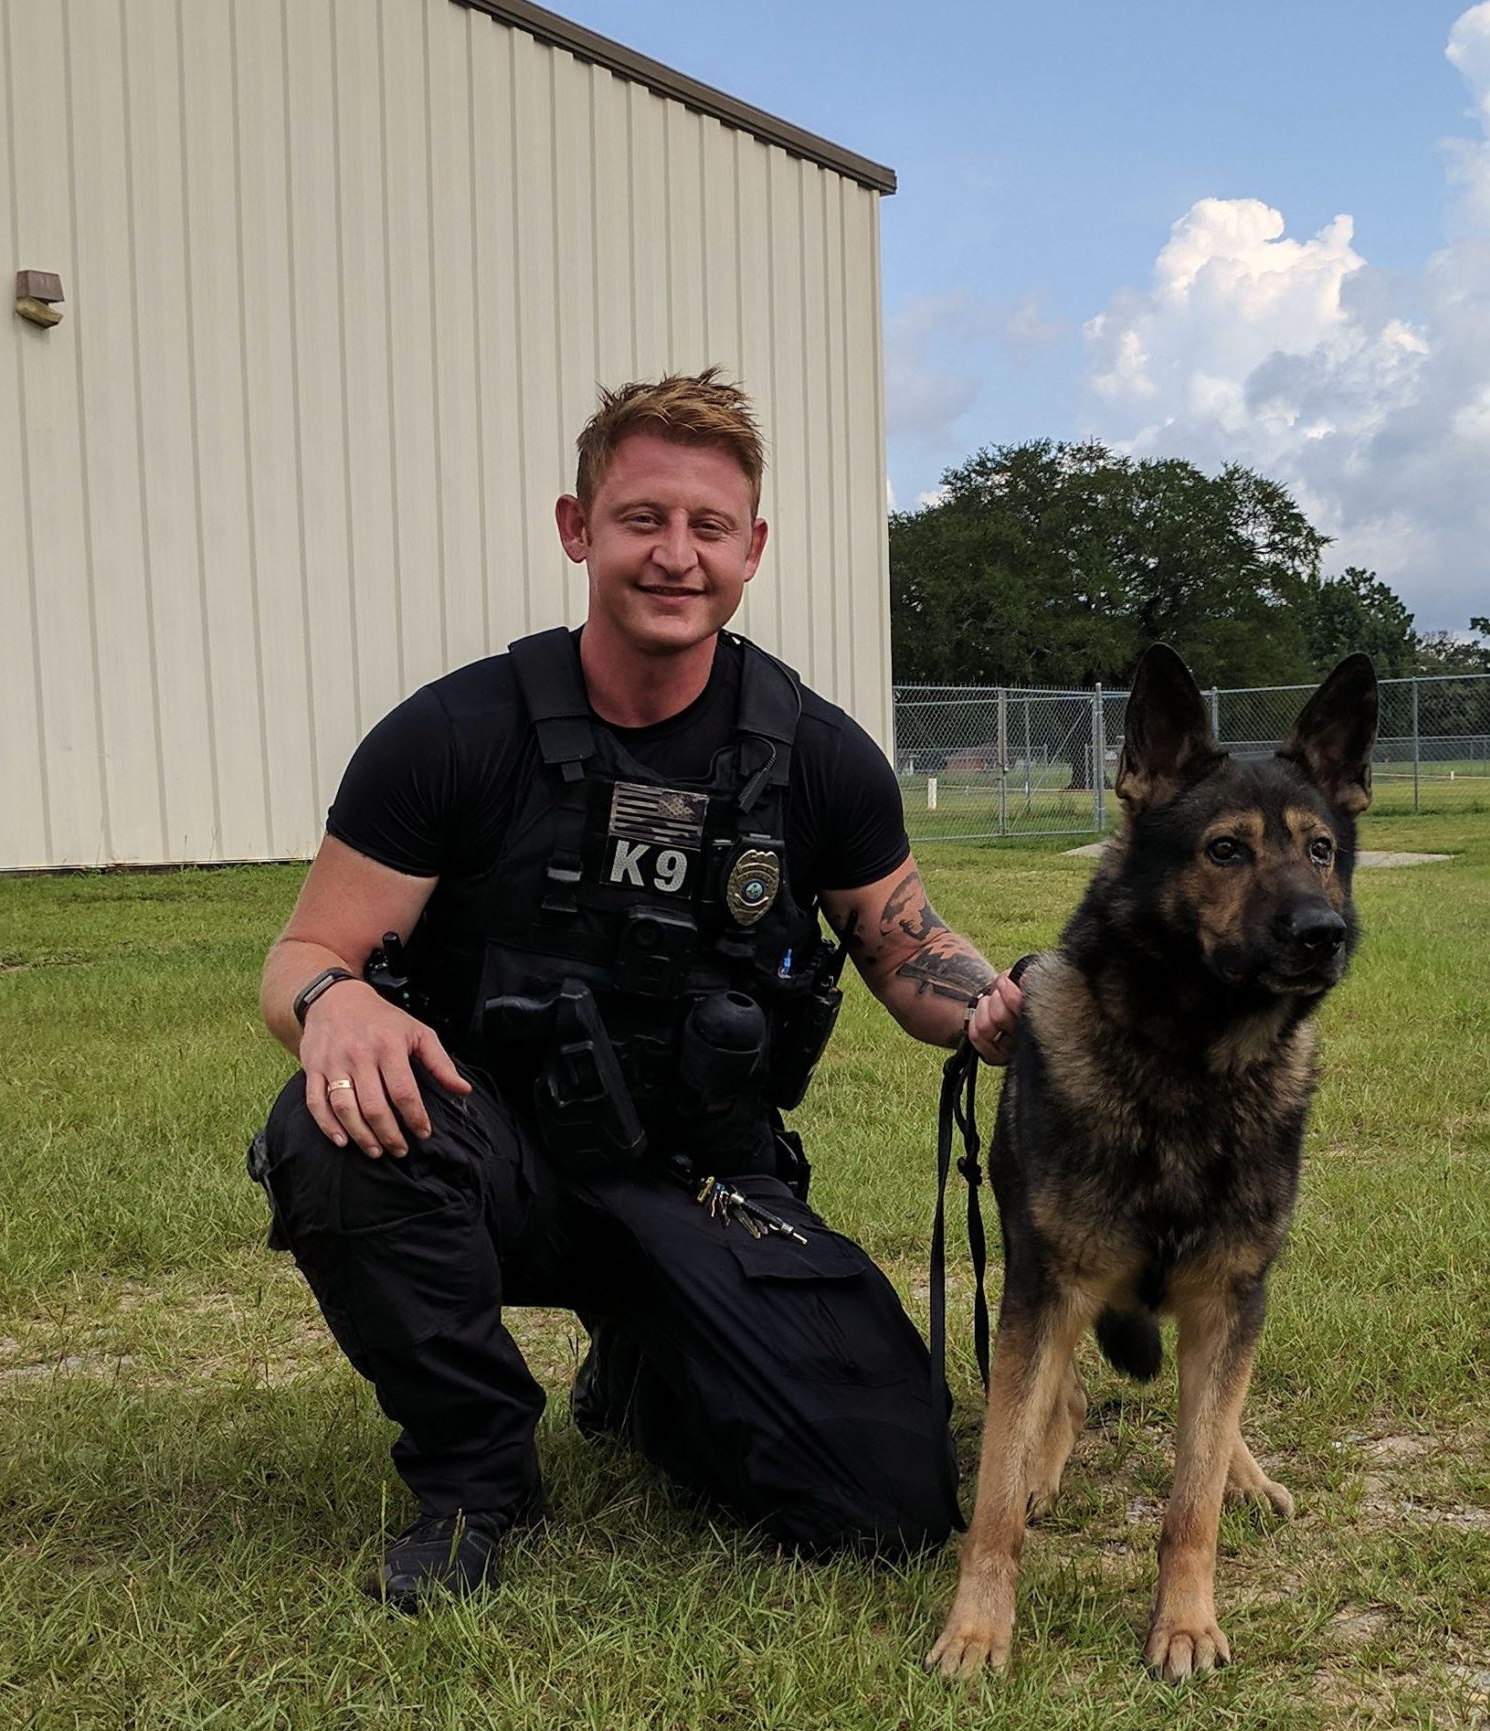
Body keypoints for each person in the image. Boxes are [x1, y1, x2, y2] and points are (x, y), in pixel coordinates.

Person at [248, 370, 1025, 1610]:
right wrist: (337, 1001)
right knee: (334, 1127)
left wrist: (1010, 1004)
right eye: (641, 519)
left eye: (709, 527)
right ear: (578, 529)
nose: (676, 555)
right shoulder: (453, 733)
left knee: (884, 1500)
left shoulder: (815, 757)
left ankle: (649, 1367)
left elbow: (907, 947)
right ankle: (475, 1479)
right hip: (493, 1155)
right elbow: (301, 959)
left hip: (702, 1176)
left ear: (753, 549)